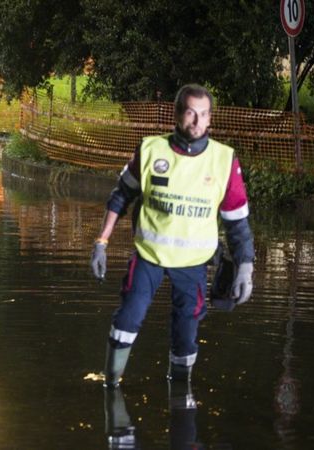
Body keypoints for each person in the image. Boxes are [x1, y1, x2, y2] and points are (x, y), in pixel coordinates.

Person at [91, 84, 255, 387]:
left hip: (193, 265)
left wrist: (245, 267)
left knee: (186, 333)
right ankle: (110, 386)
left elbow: (237, 223)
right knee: (127, 318)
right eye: (190, 113)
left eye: (202, 115)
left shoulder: (224, 161)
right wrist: (101, 243)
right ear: (177, 114)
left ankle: (180, 393)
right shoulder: (151, 150)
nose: (196, 122)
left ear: (210, 120)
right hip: (148, 257)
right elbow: (120, 196)